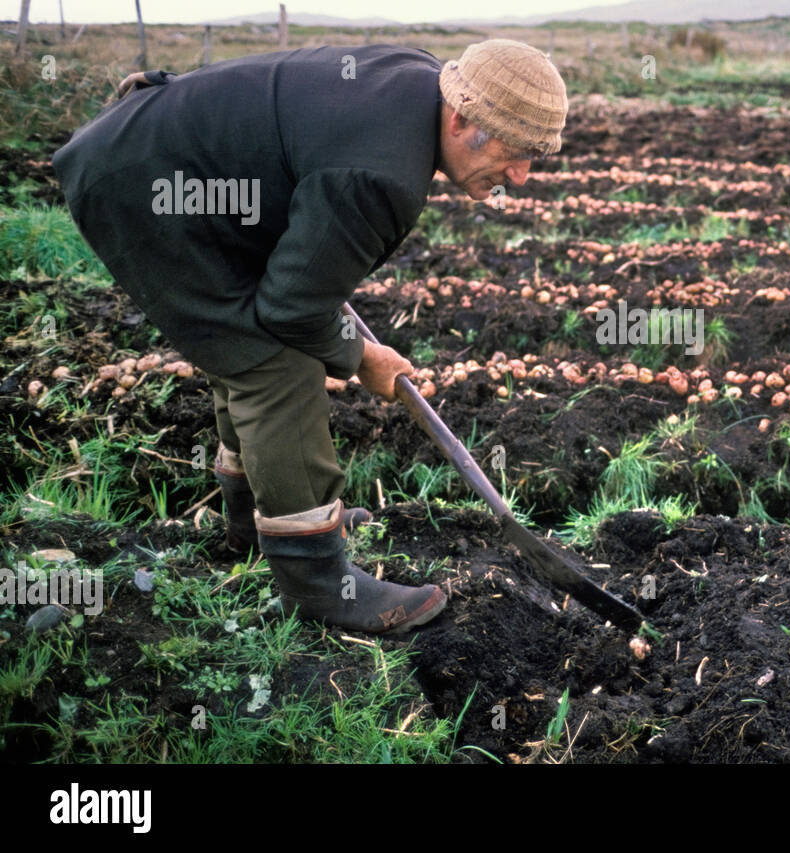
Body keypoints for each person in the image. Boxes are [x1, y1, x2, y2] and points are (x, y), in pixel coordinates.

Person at [52, 39, 568, 633]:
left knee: (248, 338)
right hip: (142, 187)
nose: (521, 177)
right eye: (517, 152)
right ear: (459, 116)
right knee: (272, 361)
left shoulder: (420, 79)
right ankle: (319, 583)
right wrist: (360, 355)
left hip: (164, 154)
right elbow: (291, 310)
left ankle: (252, 525)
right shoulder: (382, 174)